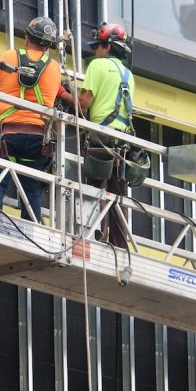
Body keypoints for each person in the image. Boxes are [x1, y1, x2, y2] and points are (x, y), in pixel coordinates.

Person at [59, 22, 135, 247]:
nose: (94, 51)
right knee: (117, 193)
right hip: (123, 141)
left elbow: (83, 105)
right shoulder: (128, 75)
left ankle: (94, 237)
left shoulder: (97, 66)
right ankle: (120, 244)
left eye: (98, 46)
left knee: (94, 188)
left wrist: (63, 93)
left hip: (101, 137)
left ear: (108, 48)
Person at [0, 16, 62, 223]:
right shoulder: (54, 68)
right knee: (31, 188)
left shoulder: (10, 56)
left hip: (8, 133)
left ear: (27, 37)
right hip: (37, 139)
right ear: (48, 45)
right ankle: (32, 227)